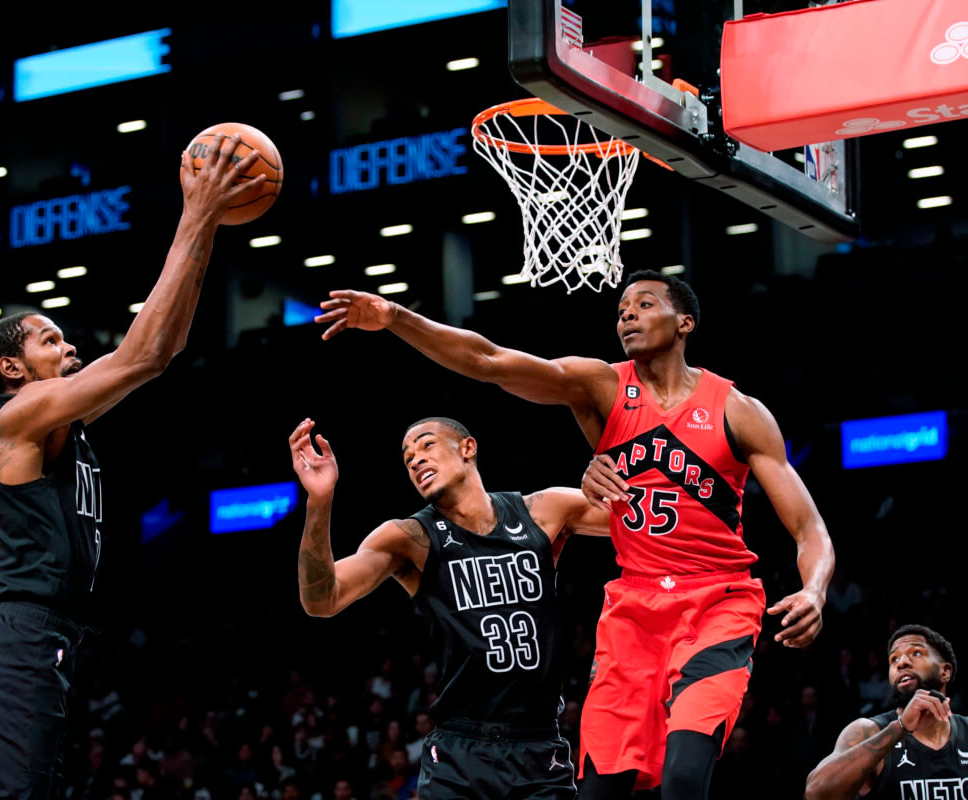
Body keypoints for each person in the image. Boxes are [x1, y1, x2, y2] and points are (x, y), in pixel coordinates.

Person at [315, 271, 835, 800]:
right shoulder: (603, 388)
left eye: (644, 303)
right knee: (597, 790)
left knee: (682, 776)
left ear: (685, 323)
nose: (626, 314)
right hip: (634, 606)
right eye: (621, 309)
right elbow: (490, 361)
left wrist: (814, 588)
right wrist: (397, 318)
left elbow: (807, 526)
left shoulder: (737, 411)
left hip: (717, 600)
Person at [0, 133, 264, 798]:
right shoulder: (15, 418)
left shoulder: (64, 421)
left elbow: (163, 347)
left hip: (48, 638)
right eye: (49, 338)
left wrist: (205, 229)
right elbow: (138, 356)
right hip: (14, 640)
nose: (68, 346)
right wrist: (196, 212)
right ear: (12, 367)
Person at [288, 416, 611, 799]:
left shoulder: (542, 511)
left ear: (468, 448)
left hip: (540, 747)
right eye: (408, 459)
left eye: (426, 445)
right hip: (460, 752)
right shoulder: (411, 538)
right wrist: (319, 502)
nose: (416, 461)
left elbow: (646, 522)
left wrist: (608, 470)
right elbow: (321, 600)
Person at [805, 624, 968, 799]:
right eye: (894, 659)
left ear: (945, 671)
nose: (901, 663)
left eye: (917, 653)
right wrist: (899, 727)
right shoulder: (867, 732)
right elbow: (816, 794)